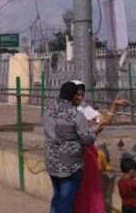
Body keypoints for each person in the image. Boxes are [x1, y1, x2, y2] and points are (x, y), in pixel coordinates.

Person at [72, 81, 130, 213]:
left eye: (82, 94)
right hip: (75, 155)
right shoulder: (65, 110)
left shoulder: (86, 109)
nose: (80, 97)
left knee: (91, 188)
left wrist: (114, 106)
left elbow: (104, 121)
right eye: (77, 94)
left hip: (90, 153)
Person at [44, 81, 96, 213]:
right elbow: (87, 140)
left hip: (51, 162)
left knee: (57, 198)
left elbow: (53, 133)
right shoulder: (76, 115)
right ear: (73, 96)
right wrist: (93, 131)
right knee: (66, 203)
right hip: (70, 166)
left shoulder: (48, 110)